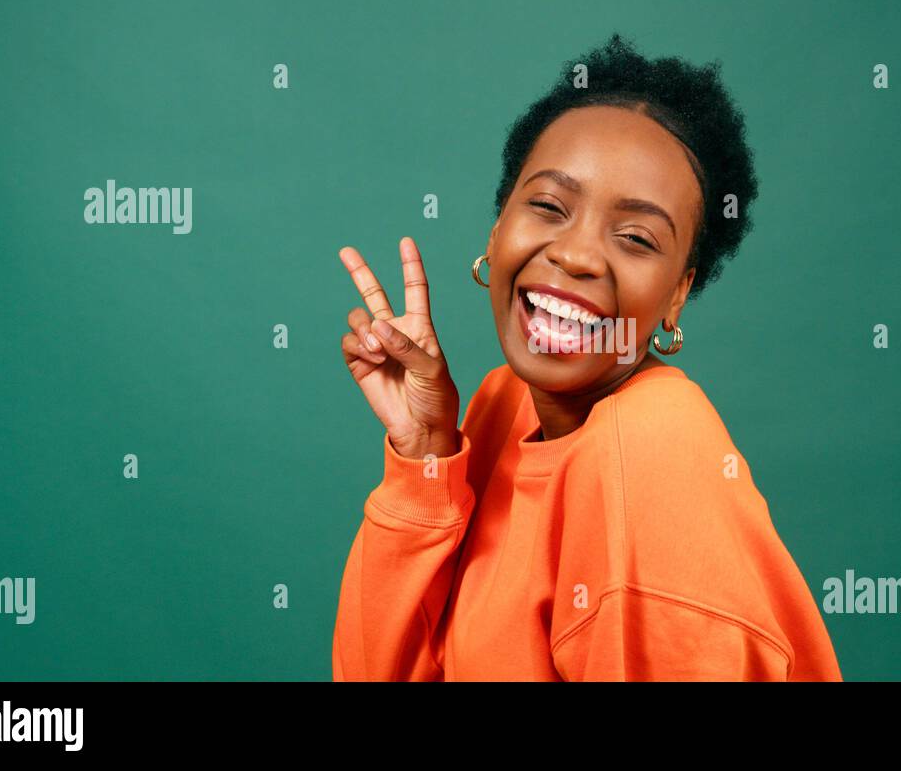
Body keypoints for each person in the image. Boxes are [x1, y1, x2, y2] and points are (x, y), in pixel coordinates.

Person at [331, 34, 841, 681]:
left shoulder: (651, 452)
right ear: (497, 228)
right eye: (547, 205)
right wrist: (426, 457)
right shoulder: (502, 406)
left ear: (678, 292)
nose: (575, 255)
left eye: (635, 237)